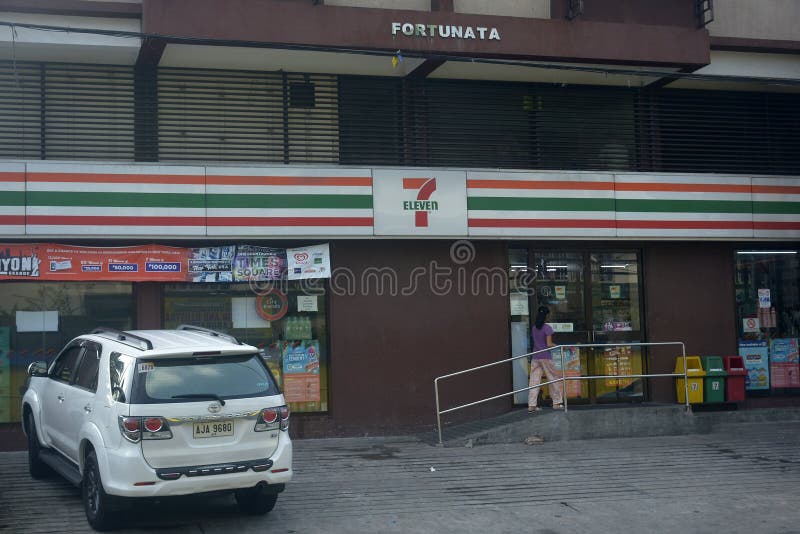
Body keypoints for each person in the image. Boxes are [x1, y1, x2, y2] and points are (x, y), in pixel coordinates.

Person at [528, 305, 564, 412]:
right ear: (546, 315)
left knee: (534, 381)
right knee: (553, 379)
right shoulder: (547, 328)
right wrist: (558, 345)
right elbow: (548, 344)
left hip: (535, 356)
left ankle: (532, 405)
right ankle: (556, 403)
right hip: (546, 357)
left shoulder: (534, 328)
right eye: (549, 314)